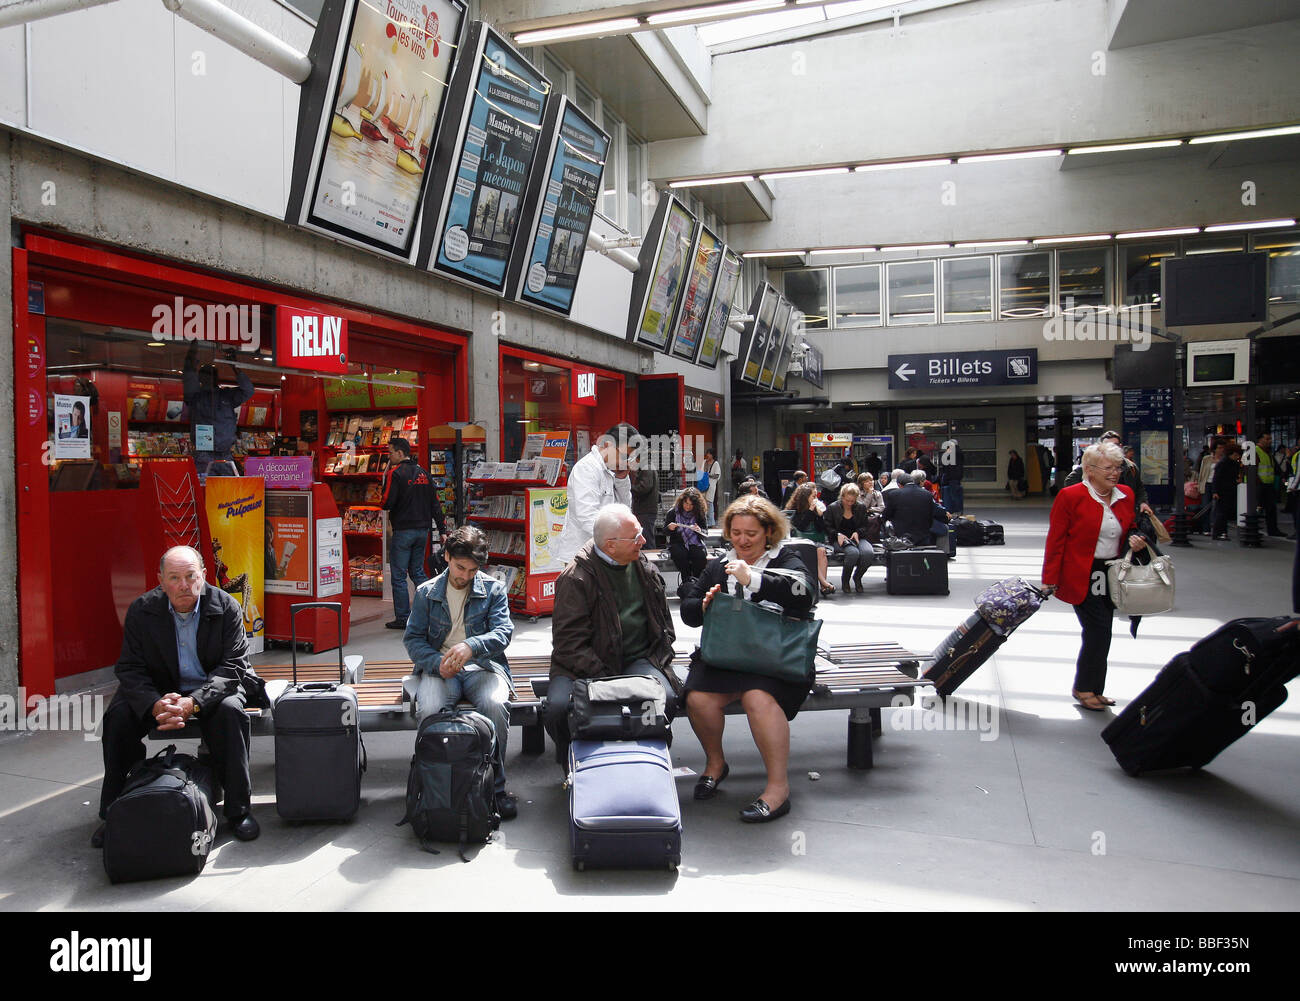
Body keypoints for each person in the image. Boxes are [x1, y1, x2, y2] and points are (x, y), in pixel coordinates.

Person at [93, 546, 266, 847]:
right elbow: (130, 668)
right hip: (161, 689)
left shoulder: (226, 606)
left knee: (231, 713)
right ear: (161, 581)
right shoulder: (142, 610)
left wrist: (193, 702)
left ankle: (238, 810)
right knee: (118, 717)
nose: (184, 585)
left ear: (203, 576)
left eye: (190, 576)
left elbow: (233, 666)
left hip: (211, 687)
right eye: (174, 578)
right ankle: (114, 812)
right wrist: (154, 704)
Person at [680, 494, 816, 823]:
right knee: (698, 699)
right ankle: (715, 764)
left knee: (757, 697)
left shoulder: (787, 558)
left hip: (775, 657)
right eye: (736, 533)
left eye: (751, 534)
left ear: (768, 532)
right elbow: (689, 611)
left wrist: (753, 578)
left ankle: (778, 789)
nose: (742, 541)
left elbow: (806, 593)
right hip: (729, 654)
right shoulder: (718, 564)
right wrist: (702, 605)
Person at [547, 503, 681, 766]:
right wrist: (606, 677)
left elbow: (663, 622)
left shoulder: (643, 566)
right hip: (584, 665)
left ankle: (641, 759)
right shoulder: (576, 578)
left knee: (665, 697)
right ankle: (572, 762)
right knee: (558, 708)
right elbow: (568, 644)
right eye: (636, 537)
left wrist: (661, 653)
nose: (643, 541)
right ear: (610, 545)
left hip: (639, 658)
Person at [404, 526, 518, 820]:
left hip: (483, 667)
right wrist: (436, 663)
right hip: (441, 669)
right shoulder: (427, 592)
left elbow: (503, 633)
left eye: (472, 570)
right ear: (447, 557)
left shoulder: (493, 589)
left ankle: (495, 789)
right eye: (460, 567)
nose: (465, 576)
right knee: (430, 708)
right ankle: (434, 786)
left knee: (495, 704)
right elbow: (413, 640)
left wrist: (472, 646)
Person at [1042, 442, 1151, 712]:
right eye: (1108, 468)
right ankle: (1084, 688)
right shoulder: (1070, 496)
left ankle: (1094, 688)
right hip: (1082, 573)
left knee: (1103, 631)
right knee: (1098, 630)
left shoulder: (1125, 494)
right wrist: (1050, 578)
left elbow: (1131, 526)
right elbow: (1056, 539)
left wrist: (1137, 538)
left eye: (1117, 468)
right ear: (1089, 470)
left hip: (1112, 571)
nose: (1115, 473)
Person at [552, 423, 640, 566]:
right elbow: (586, 516)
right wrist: (616, 541)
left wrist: (622, 480)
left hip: (607, 553)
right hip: (583, 555)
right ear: (608, 445)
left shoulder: (613, 471)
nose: (624, 462)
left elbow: (625, 510)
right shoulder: (586, 469)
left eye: (628, 458)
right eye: (624, 455)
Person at [382, 436, 447, 629]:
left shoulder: (395, 473)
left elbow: (386, 502)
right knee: (417, 571)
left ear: (400, 452)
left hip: (403, 531)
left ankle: (403, 618)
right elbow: (435, 504)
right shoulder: (424, 473)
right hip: (422, 531)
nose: (389, 456)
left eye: (390, 452)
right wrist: (442, 530)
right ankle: (432, 610)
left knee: (398, 576)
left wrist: (384, 484)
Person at [183, 344, 254, 475]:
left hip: (224, 453)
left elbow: (248, 390)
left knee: (226, 487)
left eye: (211, 374)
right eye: (205, 374)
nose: (208, 377)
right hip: (203, 454)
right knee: (204, 486)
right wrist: (192, 351)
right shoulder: (195, 396)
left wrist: (234, 365)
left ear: (216, 378)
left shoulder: (226, 396)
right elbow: (188, 377)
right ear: (199, 377)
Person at [1065, 431, 1151, 517]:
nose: (1112, 449)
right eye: (1107, 446)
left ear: (1120, 446)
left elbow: (1139, 488)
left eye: (1115, 445)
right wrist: (1089, 499)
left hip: (1125, 514)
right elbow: (1071, 480)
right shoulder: (1092, 464)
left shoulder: (1131, 467)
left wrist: (1142, 502)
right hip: (1100, 513)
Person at [784, 481, 835, 596]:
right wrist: (810, 511)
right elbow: (801, 527)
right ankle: (824, 583)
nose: (815, 499)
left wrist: (819, 516)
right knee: (812, 552)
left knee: (821, 551)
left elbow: (821, 529)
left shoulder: (817, 508)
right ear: (805, 497)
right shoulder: (794, 509)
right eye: (813, 496)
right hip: (800, 541)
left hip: (816, 541)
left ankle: (823, 586)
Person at [823, 481, 874, 593]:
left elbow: (865, 526)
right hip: (839, 538)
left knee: (868, 553)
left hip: (857, 537)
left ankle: (857, 577)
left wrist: (858, 532)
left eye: (852, 501)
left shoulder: (860, 507)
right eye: (847, 500)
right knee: (853, 553)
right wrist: (837, 534)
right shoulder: (833, 508)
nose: (849, 503)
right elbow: (827, 526)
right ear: (842, 497)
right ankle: (845, 580)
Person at [883, 467, 950, 545]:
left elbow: (886, 515)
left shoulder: (894, 494)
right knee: (944, 529)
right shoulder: (927, 494)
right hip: (922, 535)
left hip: (900, 535)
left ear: (899, 485)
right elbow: (931, 515)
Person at [664, 487, 709, 585]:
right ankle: (686, 581)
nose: (688, 507)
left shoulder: (699, 513)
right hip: (678, 543)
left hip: (694, 542)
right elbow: (665, 532)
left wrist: (699, 530)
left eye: (691, 505)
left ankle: (697, 581)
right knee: (680, 554)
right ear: (682, 501)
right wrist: (670, 528)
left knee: (700, 555)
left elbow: (705, 533)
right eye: (686, 503)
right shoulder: (673, 513)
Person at [1256, 431, 1285, 538]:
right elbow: (1251, 469)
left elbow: (1275, 468)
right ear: (1260, 440)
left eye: (1270, 439)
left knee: (1271, 508)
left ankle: (1273, 530)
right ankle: (1255, 529)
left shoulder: (1268, 452)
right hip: (1259, 485)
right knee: (1258, 508)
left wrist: (1282, 476)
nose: (1270, 441)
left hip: (1268, 484)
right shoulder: (1255, 451)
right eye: (1267, 439)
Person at [1211, 444, 1243, 540]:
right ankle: (1218, 532)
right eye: (1237, 455)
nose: (1238, 457)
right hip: (1223, 491)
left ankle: (1222, 532)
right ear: (1232, 454)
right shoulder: (1224, 463)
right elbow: (1216, 478)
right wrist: (1215, 491)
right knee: (1221, 513)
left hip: (1228, 490)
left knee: (1223, 513)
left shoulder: (1231, 463)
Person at [628, 458, 660, 543]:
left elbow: (644, 487)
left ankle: (649, 552)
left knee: (646, 539)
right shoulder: (647, 467)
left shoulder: (646, 468)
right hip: (645, 509)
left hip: (645, 509)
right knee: (646, 537)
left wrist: (628, 488)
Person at [938, 438, 965, 514]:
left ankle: (956, 510)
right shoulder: (960, 452)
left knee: (953, 495)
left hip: (951, 476)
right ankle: (959, 510)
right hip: (957, 476)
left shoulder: (951, 452)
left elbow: (944, 462)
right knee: (957, 494)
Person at [701, 449, 722, 527]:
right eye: (707, 454)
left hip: (711, 486)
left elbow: (717, 475)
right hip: (704, 485)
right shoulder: (704, 462)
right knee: (703, 502)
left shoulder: (716, 463)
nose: (707, 455)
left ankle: (711, 523)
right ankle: (706, 522)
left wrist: (708, 475)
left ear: (712, 455)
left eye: (709, 454)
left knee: (709, 502)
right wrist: (706, 466)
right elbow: (702, 472)